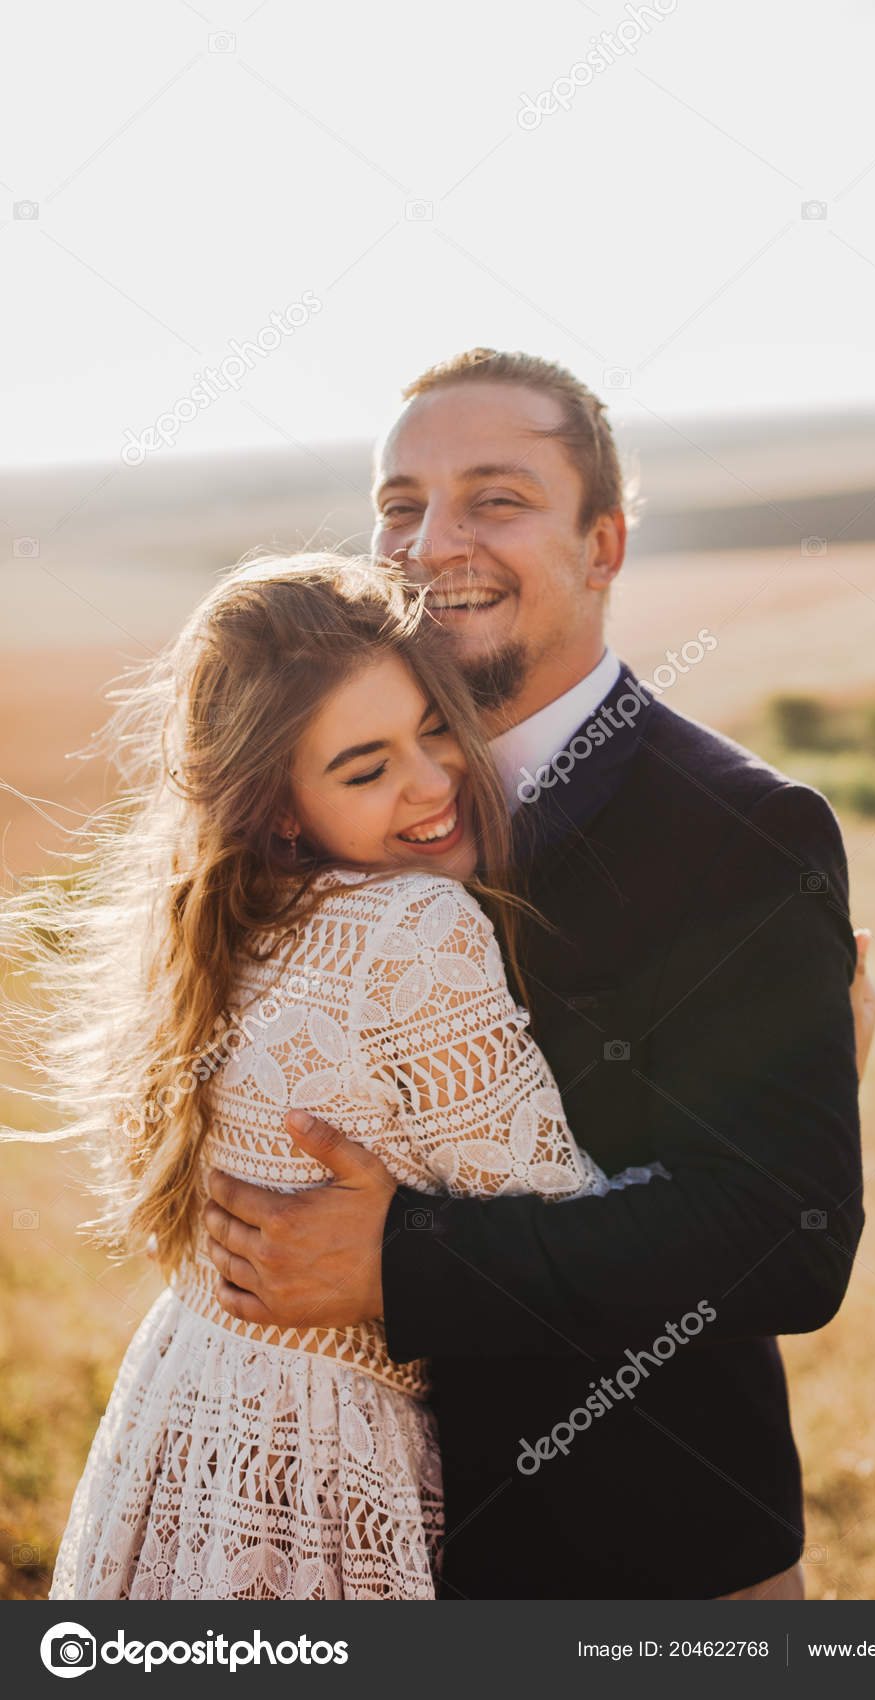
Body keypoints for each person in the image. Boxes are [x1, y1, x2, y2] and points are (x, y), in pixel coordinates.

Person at [204, 349, 875, 1601]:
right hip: (356, 1543)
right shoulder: (311, 805)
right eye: (400, 503)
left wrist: (398, 1264)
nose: (428, 540)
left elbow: (790, 1238)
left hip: (645, 1556)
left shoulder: (742, 831)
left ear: (604, 546)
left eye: (495, 498)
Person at [23, 553, 664, 1599]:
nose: (430, 780)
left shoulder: (223, 926)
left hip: (194, 1407)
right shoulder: (413, 924)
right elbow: (577, 1246)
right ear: (281, 807)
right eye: (365, 769)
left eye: (435, 726)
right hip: (325, 1456)